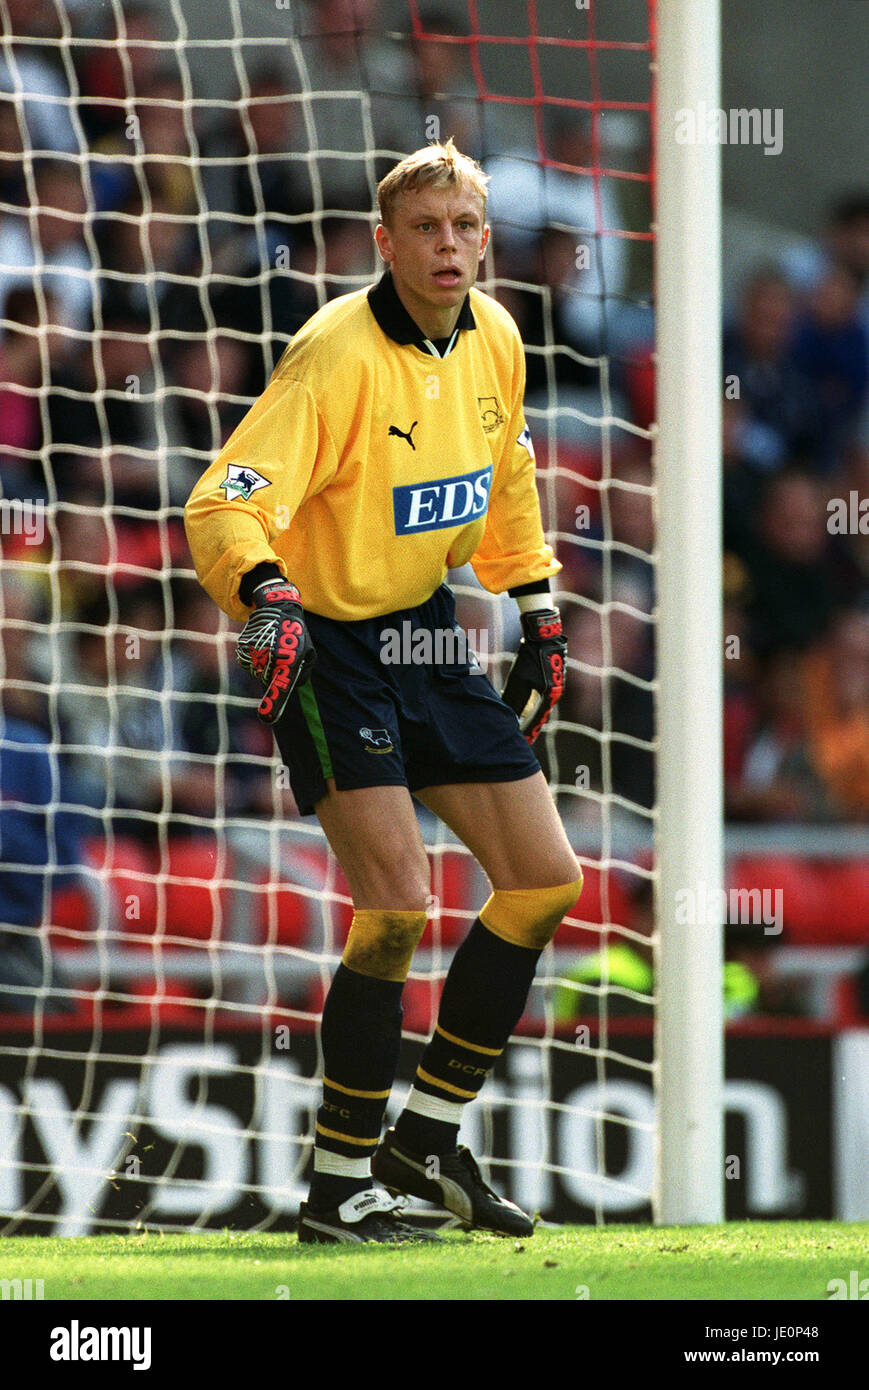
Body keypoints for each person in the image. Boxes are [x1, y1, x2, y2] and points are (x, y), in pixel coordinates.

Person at [185, 140, 583, 1244]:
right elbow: (220, 503)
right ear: (384, 241)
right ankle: (336, 1182)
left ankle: (428, 1135)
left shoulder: (496, 335)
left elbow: (510, 481)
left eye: (463, 227)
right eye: (425, 229)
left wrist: (537, 607)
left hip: (422, 626)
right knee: (396, 907)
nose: (447, 246)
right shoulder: (334, 354)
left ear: (483, 238)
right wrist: (264, 596)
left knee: (544, 880)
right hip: (320, 636)